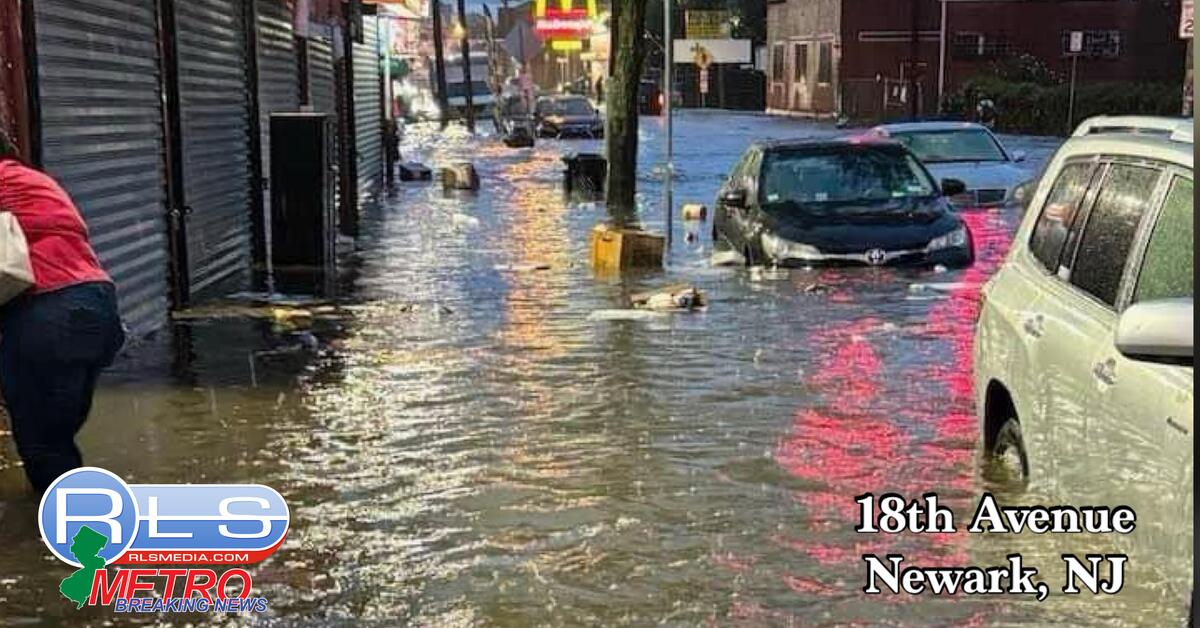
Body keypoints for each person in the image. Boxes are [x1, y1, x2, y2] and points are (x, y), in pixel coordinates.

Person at [0, 131, 124, 494]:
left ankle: (64, 540)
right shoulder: (36, 182)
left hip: (48, 313)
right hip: (98, 305)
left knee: (44, 447)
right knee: (57, 436)